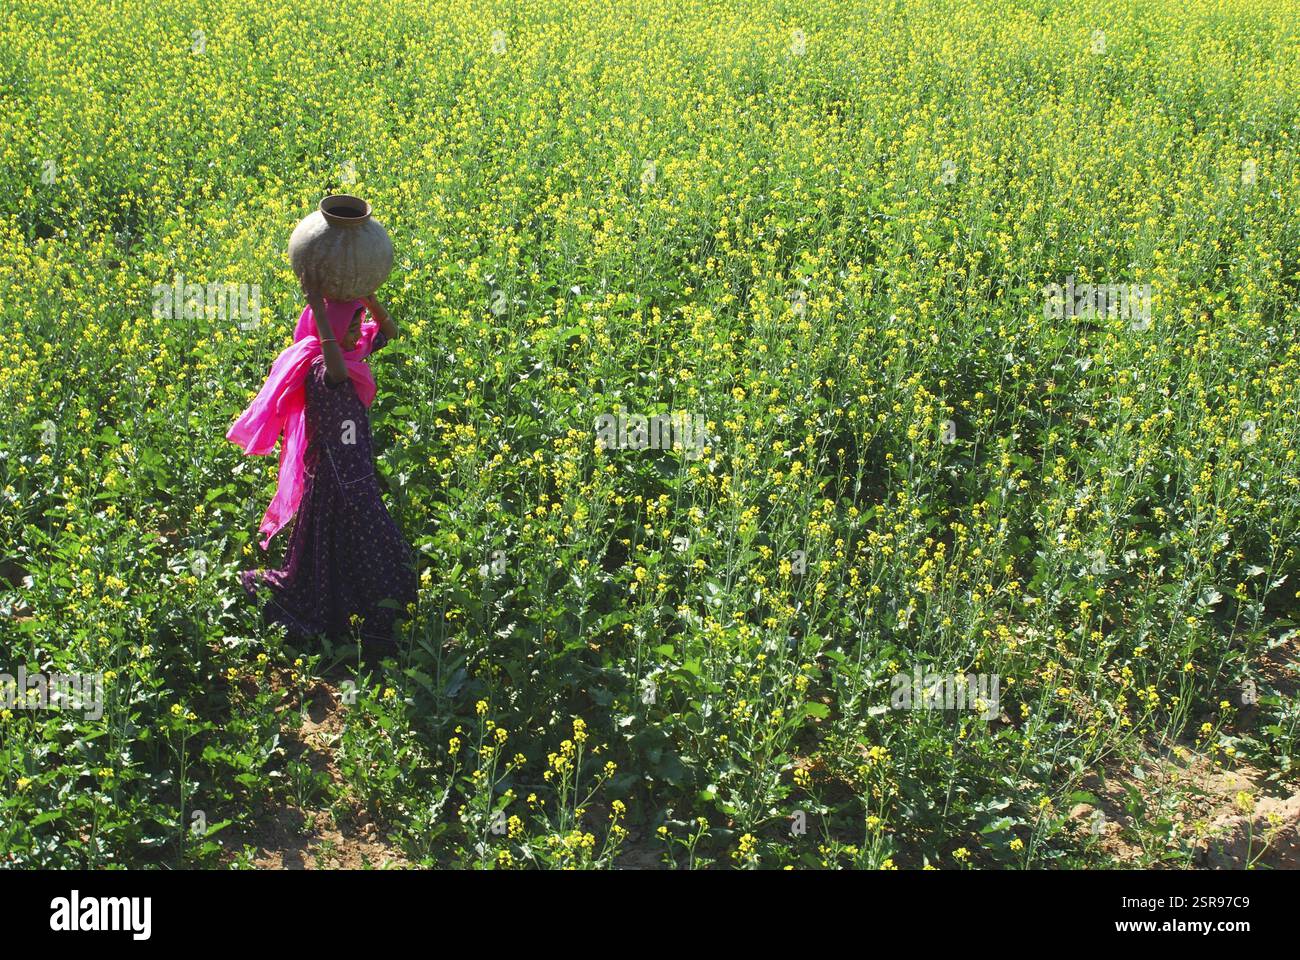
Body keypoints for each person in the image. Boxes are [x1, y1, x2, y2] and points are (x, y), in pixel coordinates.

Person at [226, 270, 416, 656]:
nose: (356, 334)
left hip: (356, 464)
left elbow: (391, 332)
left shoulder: (351, 352)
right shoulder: (318, 366)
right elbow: (338, 372)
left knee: (365, 533)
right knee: (339, 536)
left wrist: (369, 295)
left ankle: (378, 604)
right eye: (350, 327)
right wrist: (319, 311)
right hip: (332, 471)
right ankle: (355, 612)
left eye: (356, 327)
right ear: (329, 330)